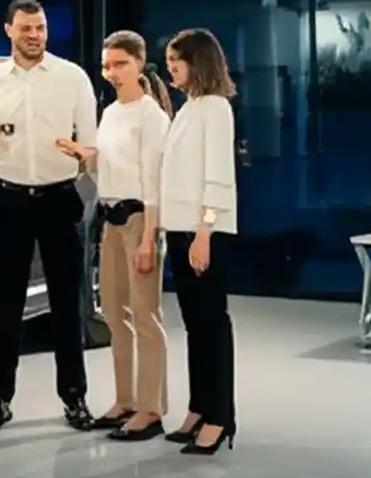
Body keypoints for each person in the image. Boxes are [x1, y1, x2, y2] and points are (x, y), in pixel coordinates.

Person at [0, 0, 99, 432]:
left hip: (60, 199)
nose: (34, 35)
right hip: (8, 200)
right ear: (9, 31)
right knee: (7, 306)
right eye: (26, 28)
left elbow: (91, 144)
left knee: (66, 306)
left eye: (39, 27)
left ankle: (74, 400)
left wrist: (83, 156)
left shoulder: (72, 78)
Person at [56, 30, 173, 441]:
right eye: (106, 65)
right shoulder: (109, 114)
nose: (111, 72)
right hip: (109, 219)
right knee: (116, 316)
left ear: (140, 63)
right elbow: (109, 169)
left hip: (140, 220)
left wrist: (147, 240)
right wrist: (84, 157)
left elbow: (155, 183)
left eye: (120, 64)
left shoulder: (152, 117)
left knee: (146, 317)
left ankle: (152, 408)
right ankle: (125, 400)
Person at [158, 28, 239, 455]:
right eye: (169, 58)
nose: (171, 66)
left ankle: (221, 416)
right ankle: (199, 407)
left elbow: (217, 178)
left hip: (204, 232)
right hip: (181, 230)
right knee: (194, 327)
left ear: (199, 61)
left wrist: (204, 232)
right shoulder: (187, 108)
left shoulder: (215, 109)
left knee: (211, 324)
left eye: (178, 59)